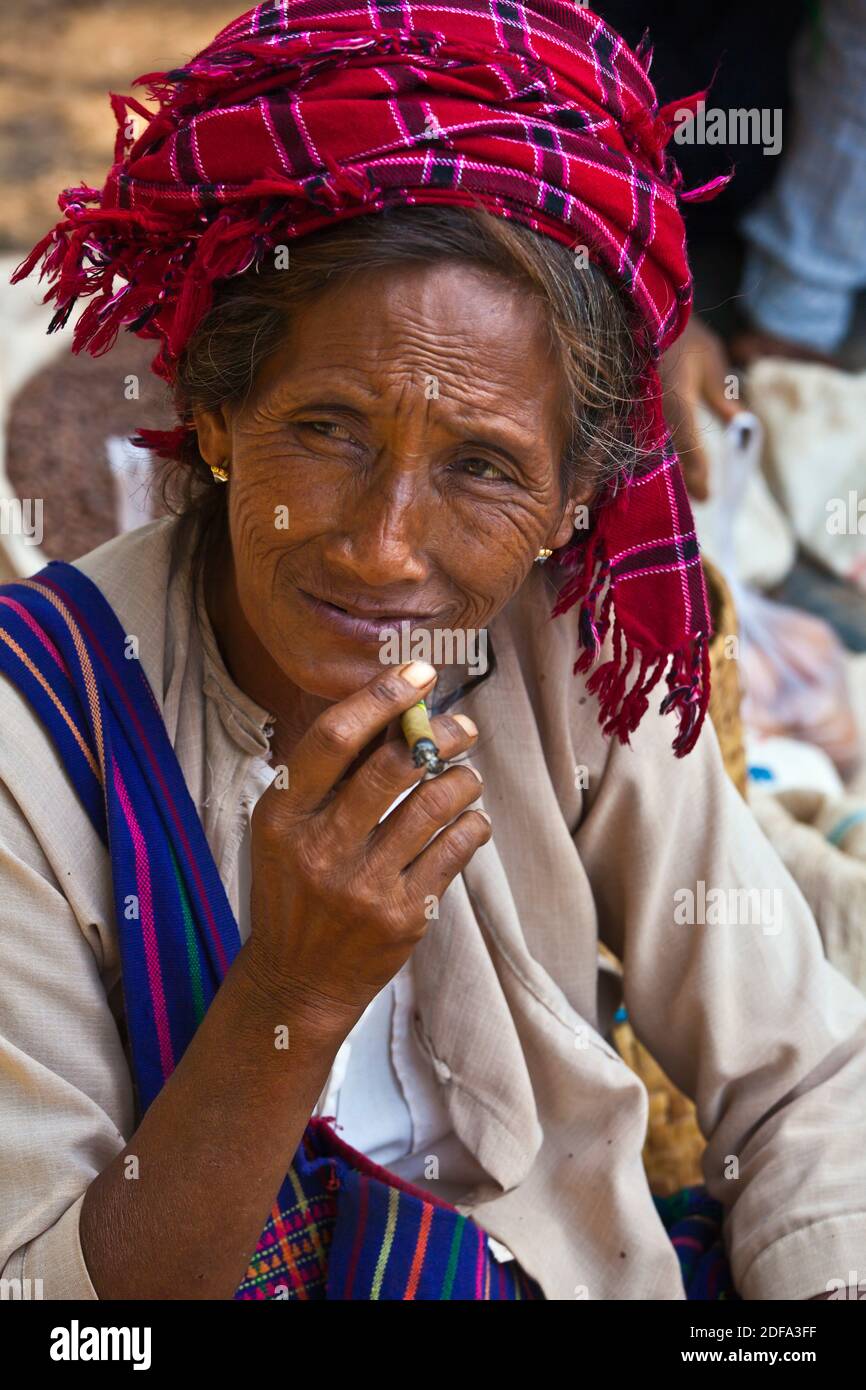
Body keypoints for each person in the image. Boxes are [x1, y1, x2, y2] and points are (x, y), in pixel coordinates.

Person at [1, 1, 864, 1302]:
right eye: (330, 430)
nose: (385, 551)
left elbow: (803, 1073)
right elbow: (62, 1310)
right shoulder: (37, 731)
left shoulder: (562, 640)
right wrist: (292, 987)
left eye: (481, 468)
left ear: (575, 500)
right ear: (217, 413)